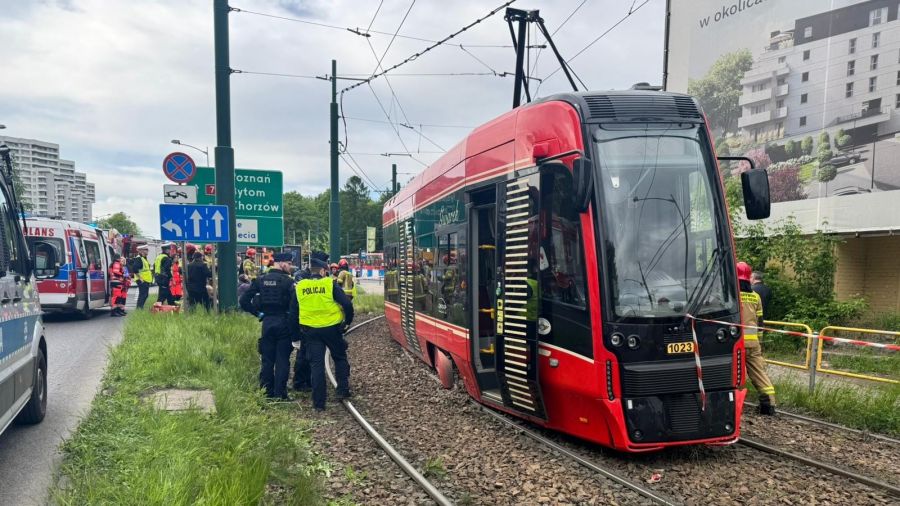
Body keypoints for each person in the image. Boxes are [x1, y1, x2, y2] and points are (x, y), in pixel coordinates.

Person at [292, 251, 354, 411]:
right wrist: (346, 322)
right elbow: (347, 305)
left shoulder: (300, 287)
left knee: (316, 365)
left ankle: (319, 404)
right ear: (322, 271)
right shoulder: (329, 284)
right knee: (339, 358)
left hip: (311, 331)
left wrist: (296, 334)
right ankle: (342, 390)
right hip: (332, 329)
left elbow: (293, 312)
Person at [240, 253, 297, 400]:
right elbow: (295, 306)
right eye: (289, 263)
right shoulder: (288, 282)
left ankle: (266, 393)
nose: (290, 267)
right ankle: (281, 395)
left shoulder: (260, 280)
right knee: (282, 360)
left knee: (267, 360)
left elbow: (244, 301)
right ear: (282, 263)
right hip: (283, 322)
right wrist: (294, 327)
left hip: (267, 323)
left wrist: (258, 314)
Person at [738, 261, 776, 416]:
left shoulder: (732, 294)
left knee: (733, 374)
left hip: (736, 343)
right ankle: (769, 405)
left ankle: (735, 405)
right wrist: (759, 343)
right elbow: (760, 322)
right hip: (753, 342)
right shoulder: (756, 297)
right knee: (758, 373)